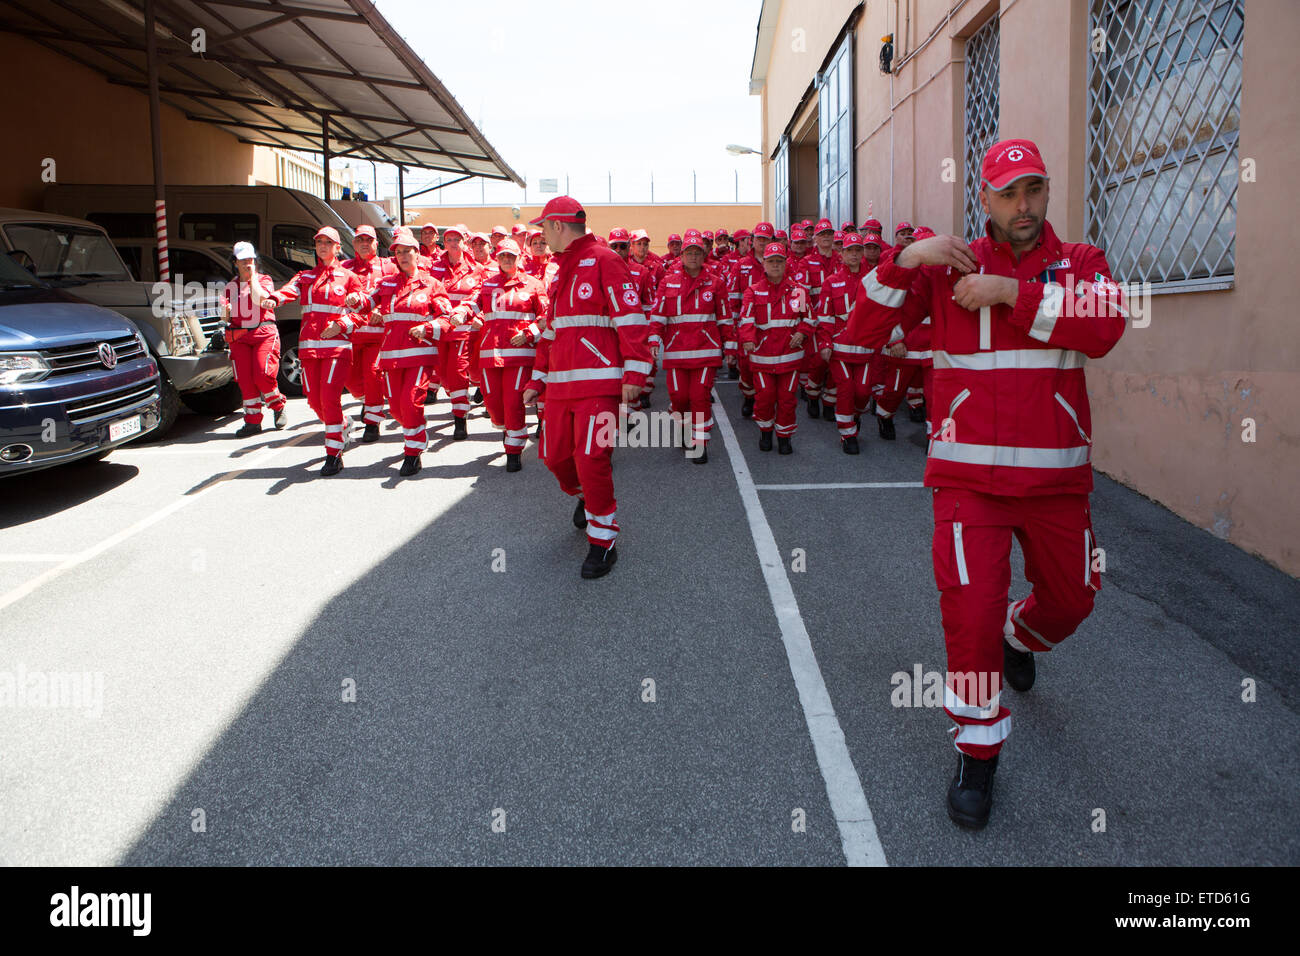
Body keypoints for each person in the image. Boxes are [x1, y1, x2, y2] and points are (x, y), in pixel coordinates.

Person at [844, 138, 1127, 828]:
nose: (1023, 205)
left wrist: (1011, 292)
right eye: (1008, 193)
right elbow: (858, 333)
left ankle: (1022, 637)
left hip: (1058, 483)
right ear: (985, 197)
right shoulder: (947, 269)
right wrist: (906, 258)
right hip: (969, 483)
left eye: (1034, 189)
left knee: (1073, 600)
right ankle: (977, 749)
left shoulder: (1079, 263)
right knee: (969, 618)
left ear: (1047, 191)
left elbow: (1107, 326)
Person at [520, 196, 652, 579]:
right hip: (559, 389)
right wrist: (536, 379)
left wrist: (634, 376)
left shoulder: (605, 259)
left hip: (599, 387)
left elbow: (631, 318)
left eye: (544, 227)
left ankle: (603, 540)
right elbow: (550, 331)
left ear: (559, 226)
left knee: (592, 458)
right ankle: (585, 498)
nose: (541, 236)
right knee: (555, 458)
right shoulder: (560, 270)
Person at [345, 227, 453, 476]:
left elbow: (447, 316)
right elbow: (367, 301)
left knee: (410, 401)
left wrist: (428, 328)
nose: (403, 256)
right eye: (399, 252)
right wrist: (354, 301)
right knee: (395, 409)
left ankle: (412, 453)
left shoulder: (431, 284)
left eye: (407, 251)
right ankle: (417, 432)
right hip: (392, 356)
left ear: (417, 253)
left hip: (419, 355)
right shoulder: (386, 283)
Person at [269, 226, 365, 475]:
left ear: (337, 247)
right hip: (310, 350)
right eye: (319, 242)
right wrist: (273, 299)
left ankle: (333, 454)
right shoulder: (306, 277)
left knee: (329, 399)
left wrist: (341, 325)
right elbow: (288, 291)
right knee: (314, 401)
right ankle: (343, 425)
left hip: (337, 348)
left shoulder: (349, 278)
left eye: (328, 242)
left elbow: (363, 313)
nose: (322, 246)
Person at [648, 230, 732, 464]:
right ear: (682, 256)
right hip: (676, 353)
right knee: (679, 397)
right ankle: (685, 429)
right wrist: (654, 340)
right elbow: (658, 315)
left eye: (697, 252)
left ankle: (700, 442)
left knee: (699, 396)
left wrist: (731, 348)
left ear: (703, 254)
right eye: (689, 253)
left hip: (706, 352)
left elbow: (725, 318)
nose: (693, 256)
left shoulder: (715, 283)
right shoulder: (668, 282)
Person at [475, 237, 548, 471]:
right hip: (490, 354)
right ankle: (508, 430)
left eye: (511, 256)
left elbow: (547, 317)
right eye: (503, 256)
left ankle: (514, 450)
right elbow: (472, 305)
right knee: (494, 405)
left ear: (519, 258)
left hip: (519, 354)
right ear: (497, 258)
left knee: (513, 403)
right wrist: (456, 313)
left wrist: (530, 333)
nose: (507, 259)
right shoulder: (487, 284)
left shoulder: (533, 284)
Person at [737, 242, 815, 455]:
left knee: (787, 400)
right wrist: (748, 339)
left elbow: (809, 318)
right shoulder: (753, 291)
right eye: (771, 261)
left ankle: (784, 436)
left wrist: (802, 332)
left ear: (785, 263)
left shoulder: (797, 291)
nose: (775, 265)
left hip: (789, 356)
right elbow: (746, 320)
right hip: (762, 357)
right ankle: (765, 431)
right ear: (764, 264)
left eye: (779, 261)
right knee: (765, 398)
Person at [220, 241, 287, 437]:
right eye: (243, 261)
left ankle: (278, 405)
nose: (247, 264)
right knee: (245, 381)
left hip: (263, 334)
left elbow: (260, 300)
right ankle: (252, 421)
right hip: (239, 337)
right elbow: (224, 316)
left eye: (250, 260)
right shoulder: (230, 286)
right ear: (235, 263)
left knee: (263, 374)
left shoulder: (264, 280)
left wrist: (251, 280)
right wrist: (226, 311)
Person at [341, 225, 398, 443]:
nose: (365, 243)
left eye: (369, 239)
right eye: (360, 240)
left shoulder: (388, 267)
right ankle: (370, 400)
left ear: (376, 243)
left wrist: (381, 311)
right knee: (351, 380)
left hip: (378, 335)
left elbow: (398, 293)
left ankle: (372, 422)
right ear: (353, 244)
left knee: (373, 374)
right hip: (351, 334)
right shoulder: (344, 268)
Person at [814, 232, 872, 446]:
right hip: (840, 349)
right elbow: (825, 317)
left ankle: (855, 417)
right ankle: (848, 435)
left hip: (866, 349)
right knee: (846, 389)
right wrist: (826, 343)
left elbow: (881, 313)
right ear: (842, 253)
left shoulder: (873, 279)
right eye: (850, 251)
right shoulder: (832, 282)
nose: (854, 255)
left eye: (858, 250)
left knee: (864, 393)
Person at [427, 224, 484, 439]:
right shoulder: (434, 266)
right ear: (445, 242)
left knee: (459, 372)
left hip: (462, 330)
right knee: (443, 375)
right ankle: (456, 397)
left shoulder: (475, 269)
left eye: (457, 239)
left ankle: (460, 418)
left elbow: (480, 298)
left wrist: (468, 314)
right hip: (440, 330)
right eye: (449, 239)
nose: (453, 243)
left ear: (464, 242)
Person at [607, 227, 657, 408]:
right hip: (609, 332)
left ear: (629, 247)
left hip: (632, 332)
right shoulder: (601, 270)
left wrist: (649, 336)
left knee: (631, 372)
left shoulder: (642, 272)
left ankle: (629, 411)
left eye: (623, 246)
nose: (619, 250)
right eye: (615, 246)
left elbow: (649, 306)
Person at [728, 221, 773, 397]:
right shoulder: (740, 265)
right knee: (745, 363)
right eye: (759, 239)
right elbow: (732, 298)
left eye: (766, 239)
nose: (762, 243)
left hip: (773, 325)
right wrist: (733, 325)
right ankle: (748, 395)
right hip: (747, 324)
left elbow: (797, 291)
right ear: (752, 240)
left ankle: (763, 399)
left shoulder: (781, 263)